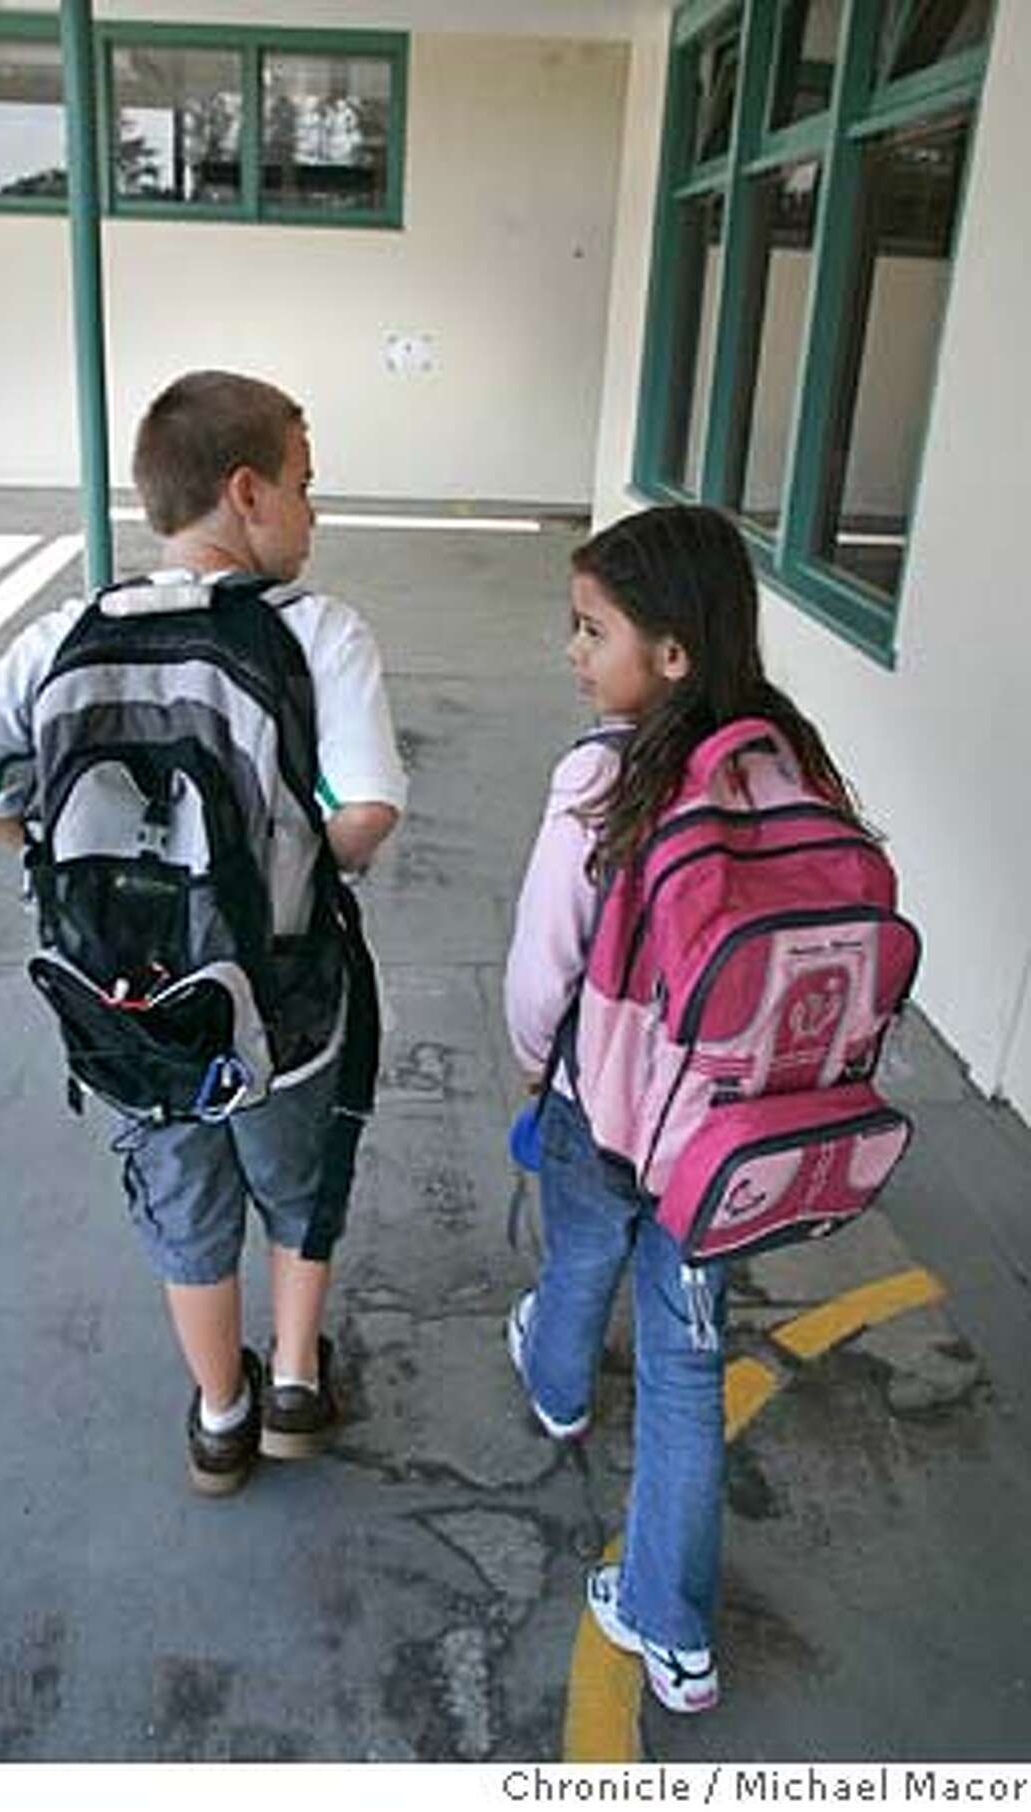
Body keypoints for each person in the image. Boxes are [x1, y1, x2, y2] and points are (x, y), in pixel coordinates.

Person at [0, 370, 406, 1495]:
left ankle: (221, 1414)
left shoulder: (68, 631)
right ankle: (294, 1390)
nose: (315, 513)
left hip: (126, 1004)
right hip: (282, 999)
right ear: (247, 493)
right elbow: (364, 812)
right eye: (306, 487)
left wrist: (55, 850)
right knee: (295, 1176)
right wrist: (309, 856)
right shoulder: (316, 632)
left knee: (183, 1195)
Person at [502, 504, 866, 1713]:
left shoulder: (601, 777)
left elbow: (543, 959)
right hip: (735, 1134)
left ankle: (555, 1388)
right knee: (685, 1364)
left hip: (606, 1112)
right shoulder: (792, 761)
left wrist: (527, 1061)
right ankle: (674, 1629)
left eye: (591, 629)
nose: (572, 650)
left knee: (581, 1248)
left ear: (668, 656)